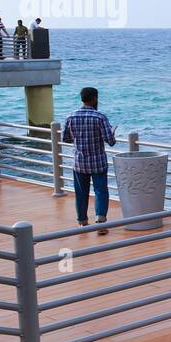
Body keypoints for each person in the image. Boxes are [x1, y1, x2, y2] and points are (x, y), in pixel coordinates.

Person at [62, 87, 117, 235]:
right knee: (100, 191)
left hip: (79, 162)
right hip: (98, 162)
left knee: (81, 193)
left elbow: (65, 139)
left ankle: (82, 222)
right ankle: (100, 222)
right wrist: (111, 133)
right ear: (94, 98)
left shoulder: (71, 117)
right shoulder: (100, 117)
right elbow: (110, 141)